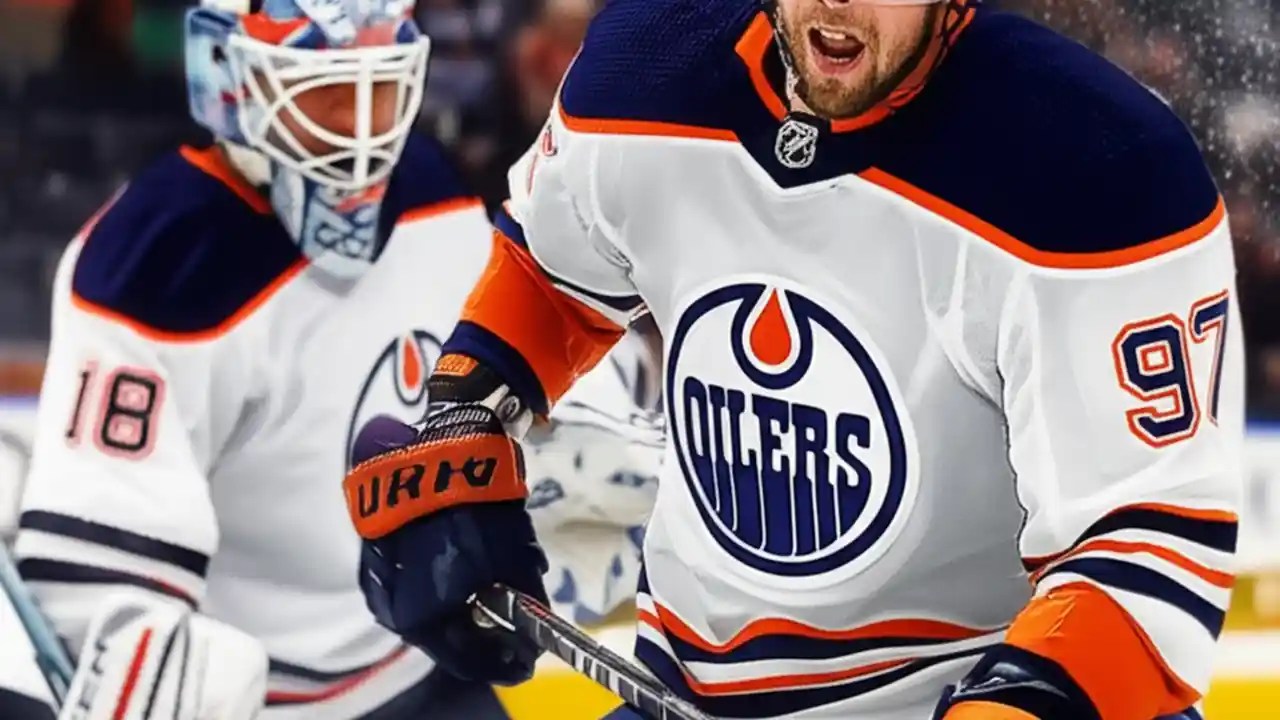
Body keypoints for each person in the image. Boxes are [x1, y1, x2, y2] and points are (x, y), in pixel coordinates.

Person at [342, 0, 1244, 717]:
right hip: (691, 689)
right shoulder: (642, 65)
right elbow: (551, 273)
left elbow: (1146, 554)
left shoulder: (1101, 166)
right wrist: (464, 414)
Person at [5, 0, 661, 718]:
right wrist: (136, 641)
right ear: (232, 78)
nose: (361, 133)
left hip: (426, 664)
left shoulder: (430, 185)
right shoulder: (152, 266)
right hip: (271, 706)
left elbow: (524, 334)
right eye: (323, 94)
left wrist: (590, 406)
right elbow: (97, 580)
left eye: (380, 89)